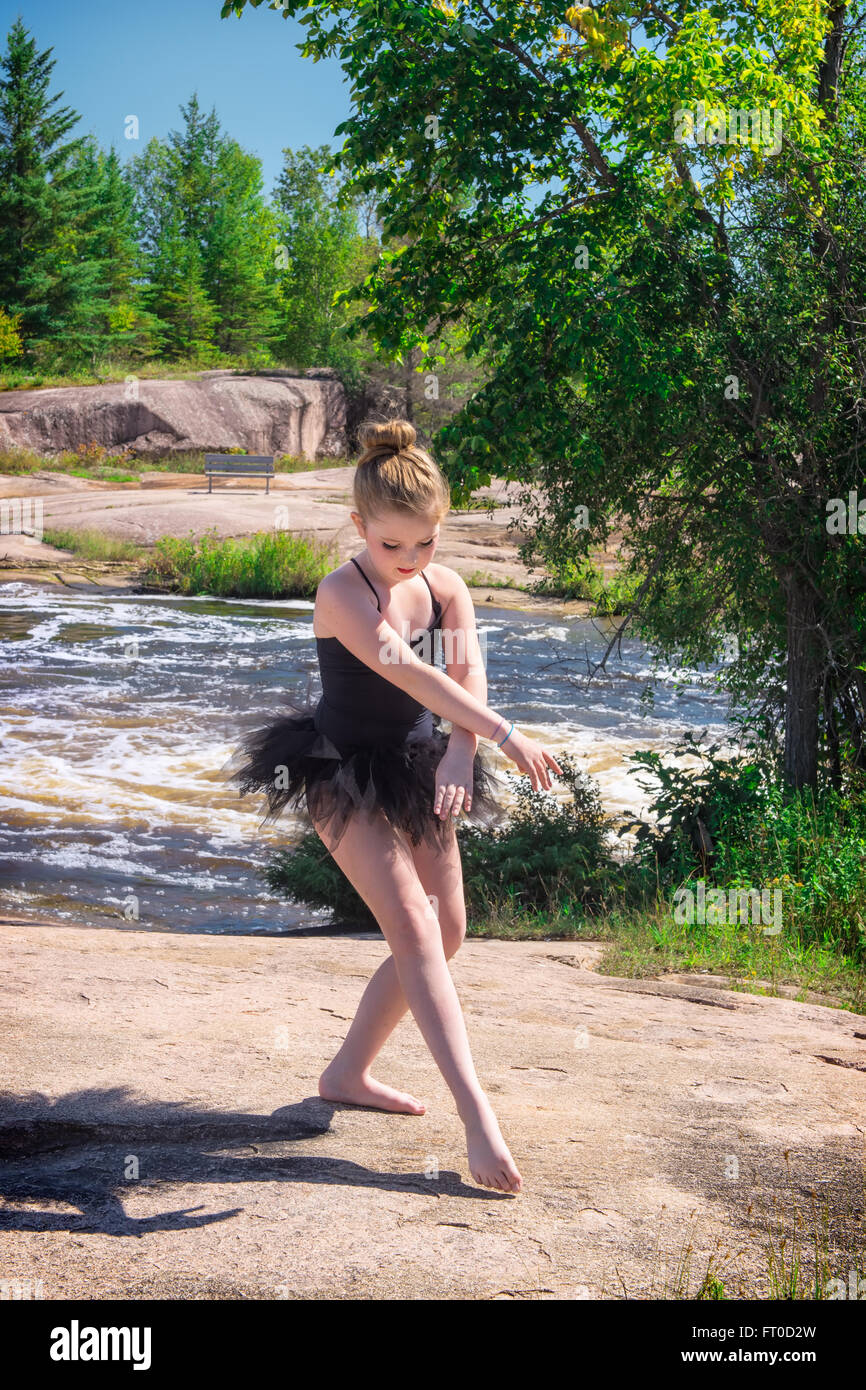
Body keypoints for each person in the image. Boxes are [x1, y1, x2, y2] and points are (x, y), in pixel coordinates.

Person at [229, 418, 563, 1193]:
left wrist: (463, 746)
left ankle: (347, 1071)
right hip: (339, 771)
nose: (411, 561)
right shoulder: (343, 592)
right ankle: (478, 1119)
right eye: (393, 547)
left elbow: (464, 674)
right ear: (359, 528)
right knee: (412, 926)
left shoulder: (447, 590)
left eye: (425, 544)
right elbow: (410, 673)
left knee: (448, 932)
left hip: (418, 766)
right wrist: (505, 734)